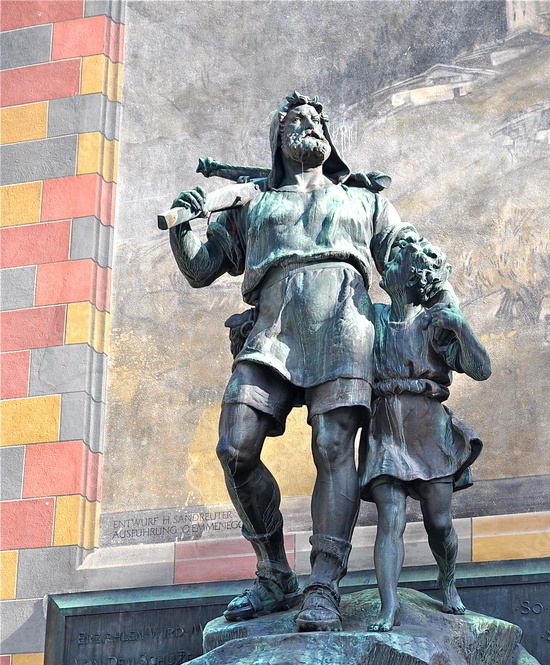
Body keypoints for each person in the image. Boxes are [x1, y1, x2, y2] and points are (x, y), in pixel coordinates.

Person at [168, 92, 417, 631]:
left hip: (344, 322)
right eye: (300, 122)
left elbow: (405, 257)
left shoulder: (364, 201)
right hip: (273, 327)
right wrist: (182, 225)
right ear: (278, 141)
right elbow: (199, 269)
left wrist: (431, 292)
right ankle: (275, 573)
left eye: (319, 121)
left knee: (332, 446)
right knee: (235, 447)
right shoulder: (251, 203)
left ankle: (323, 584)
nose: (313, 127)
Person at [358, 236, 491, 631]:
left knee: (439, 523)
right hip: (385, 428)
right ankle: (389, 606)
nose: (388, 264)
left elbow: (481, 369)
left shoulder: (435, 324)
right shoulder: (373, 317)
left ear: (413, 278)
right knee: (391, 517)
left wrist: (461, 325)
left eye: (396, 260)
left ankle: (447, 581)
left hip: (428, 430)